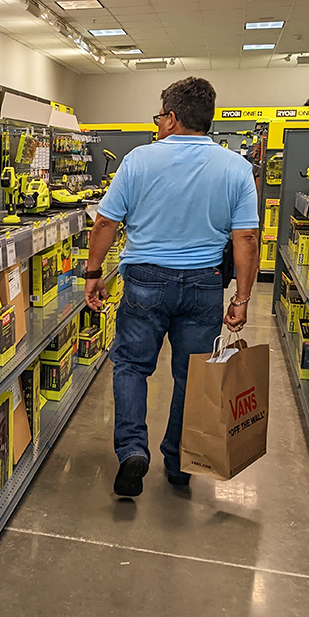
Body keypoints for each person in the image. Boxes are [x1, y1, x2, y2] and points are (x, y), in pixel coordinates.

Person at [84, 77, 260, 498]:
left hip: (145, 280)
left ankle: (132, 452)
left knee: (130, 366)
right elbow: (247, 239)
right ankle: (180, 462)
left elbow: (106, 222)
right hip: (204, 284)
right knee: (193, 376)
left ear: (173, 117)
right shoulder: (236, 167)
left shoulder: (138, 160)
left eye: (161, 115)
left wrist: (93, 275)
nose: (160, 122)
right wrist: (242, 298)